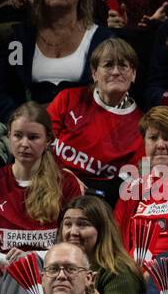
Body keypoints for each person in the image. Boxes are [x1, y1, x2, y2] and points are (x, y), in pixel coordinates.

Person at [0, 102, 85, 294]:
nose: (24, 143)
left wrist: (32, 258)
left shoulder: (65, 183)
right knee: (20, 275)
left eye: (33, 137)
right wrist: (10, 261)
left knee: (27, 271)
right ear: (9, 137)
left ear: (48, 141)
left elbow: (72, 247)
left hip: (53, 276)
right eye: (17, 136)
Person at [0, 0, 115, 119]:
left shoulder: (103, 40)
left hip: (86, 129)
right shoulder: (20, 40)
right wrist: (18, 117)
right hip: (28, 132)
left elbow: (114, 92)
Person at [47, 38, 142, 200]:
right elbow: (40, 144)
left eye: (123, 65)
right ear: (94, 73)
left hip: (95, 201)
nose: (116, 71)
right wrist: (64, 177)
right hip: (50, 181)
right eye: (108, 65)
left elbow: (126, 187)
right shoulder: (68, 99)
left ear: (133, 74)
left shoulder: (141, 126)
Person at [113, 106, 168, 264]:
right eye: (153, 138)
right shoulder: (133, 188)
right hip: (133, 276)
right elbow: (115, 240)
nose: (160, 144)